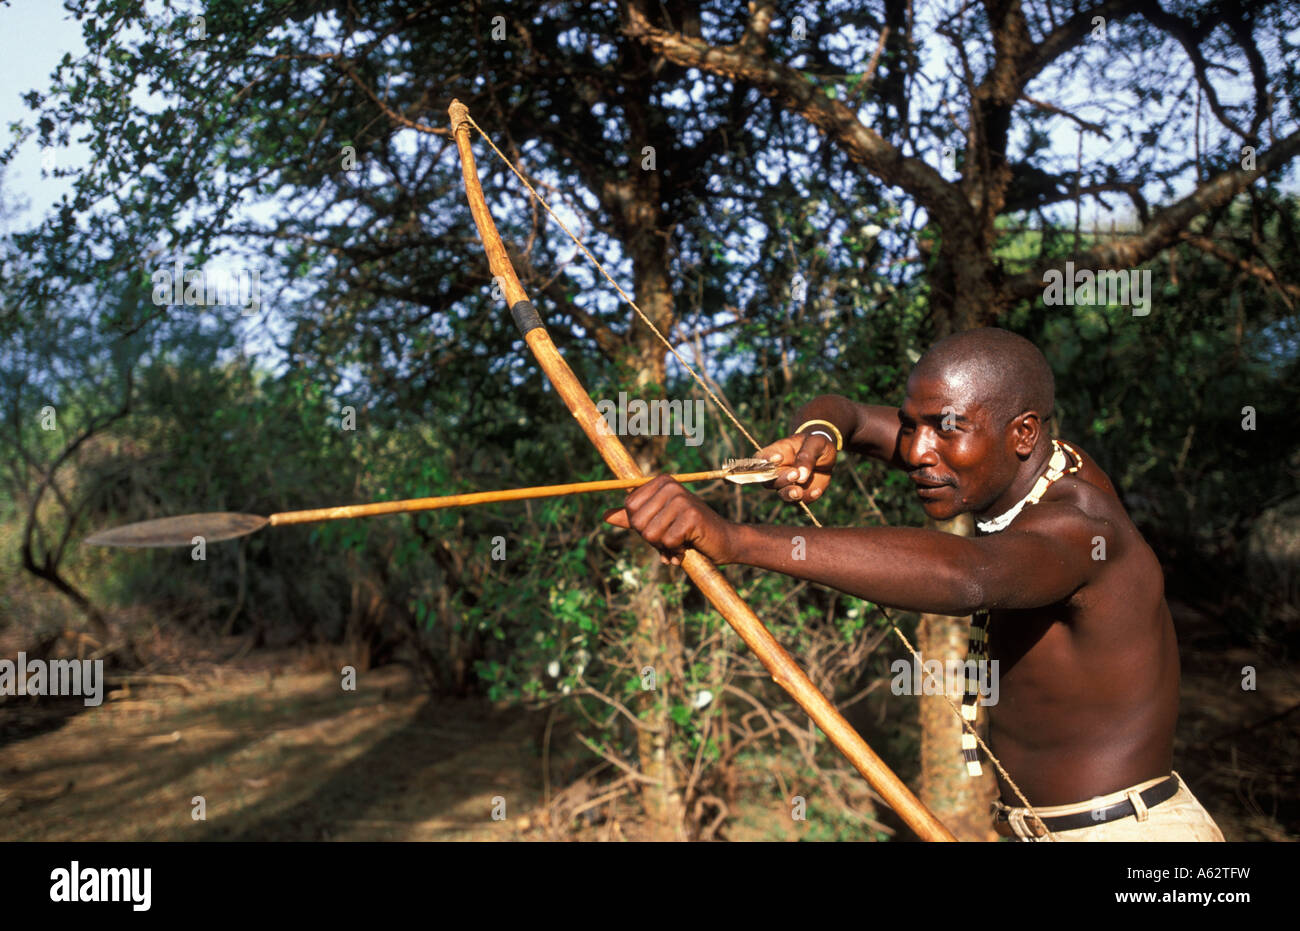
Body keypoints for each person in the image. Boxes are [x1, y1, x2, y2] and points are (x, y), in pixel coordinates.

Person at [603, 327, 1223, 841]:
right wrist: (818, 439)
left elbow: (966, 577)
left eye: (944, 429)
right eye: (913, 425)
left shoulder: (1081, 525)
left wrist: (731, 540)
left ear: (1023, 434)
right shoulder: (1013, 460)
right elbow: (847, 415)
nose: (919, 451)